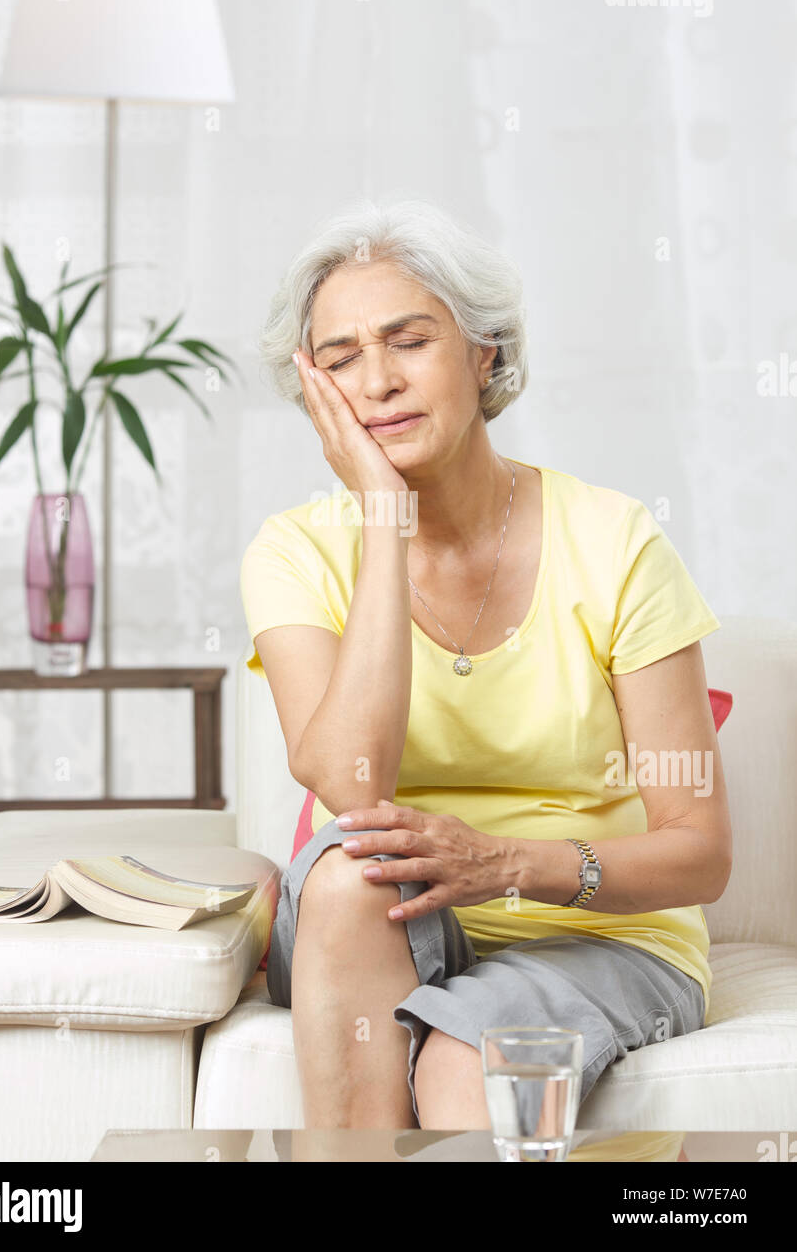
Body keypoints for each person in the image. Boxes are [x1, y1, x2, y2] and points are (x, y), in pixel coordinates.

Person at [239, 198, 732, 1130]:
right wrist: (383, 520)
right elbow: (354, 785)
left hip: (595, 936)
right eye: (339, 361)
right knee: (349, 870)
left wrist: (504, 862)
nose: (375, 382)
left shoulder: (615, 541)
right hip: (387, 923)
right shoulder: (294, 552)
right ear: (316, 397)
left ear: (485, 351)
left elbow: (700, 853)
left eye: (407, 341)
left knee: (479, 1064)